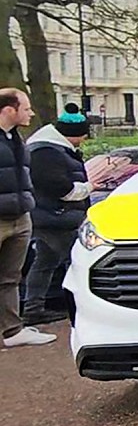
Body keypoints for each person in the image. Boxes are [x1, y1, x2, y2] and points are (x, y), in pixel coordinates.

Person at [22, 103, 92, 325]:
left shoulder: (47, 149)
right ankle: (84, 306)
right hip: (57, 216)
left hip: (47, 214)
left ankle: (34, 307)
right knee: (78, 260)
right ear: (72, 134)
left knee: (45, 262)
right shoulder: (47, 152)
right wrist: (90, 187)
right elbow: (60, 188)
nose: (84, 140)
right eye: (82, 135)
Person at [0, 88, 54, 347]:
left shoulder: (15, 138)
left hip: (20, 216)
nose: (31, 113)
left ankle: (12, 331)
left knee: (10, 276)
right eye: (26, 108)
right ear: (9, 110)